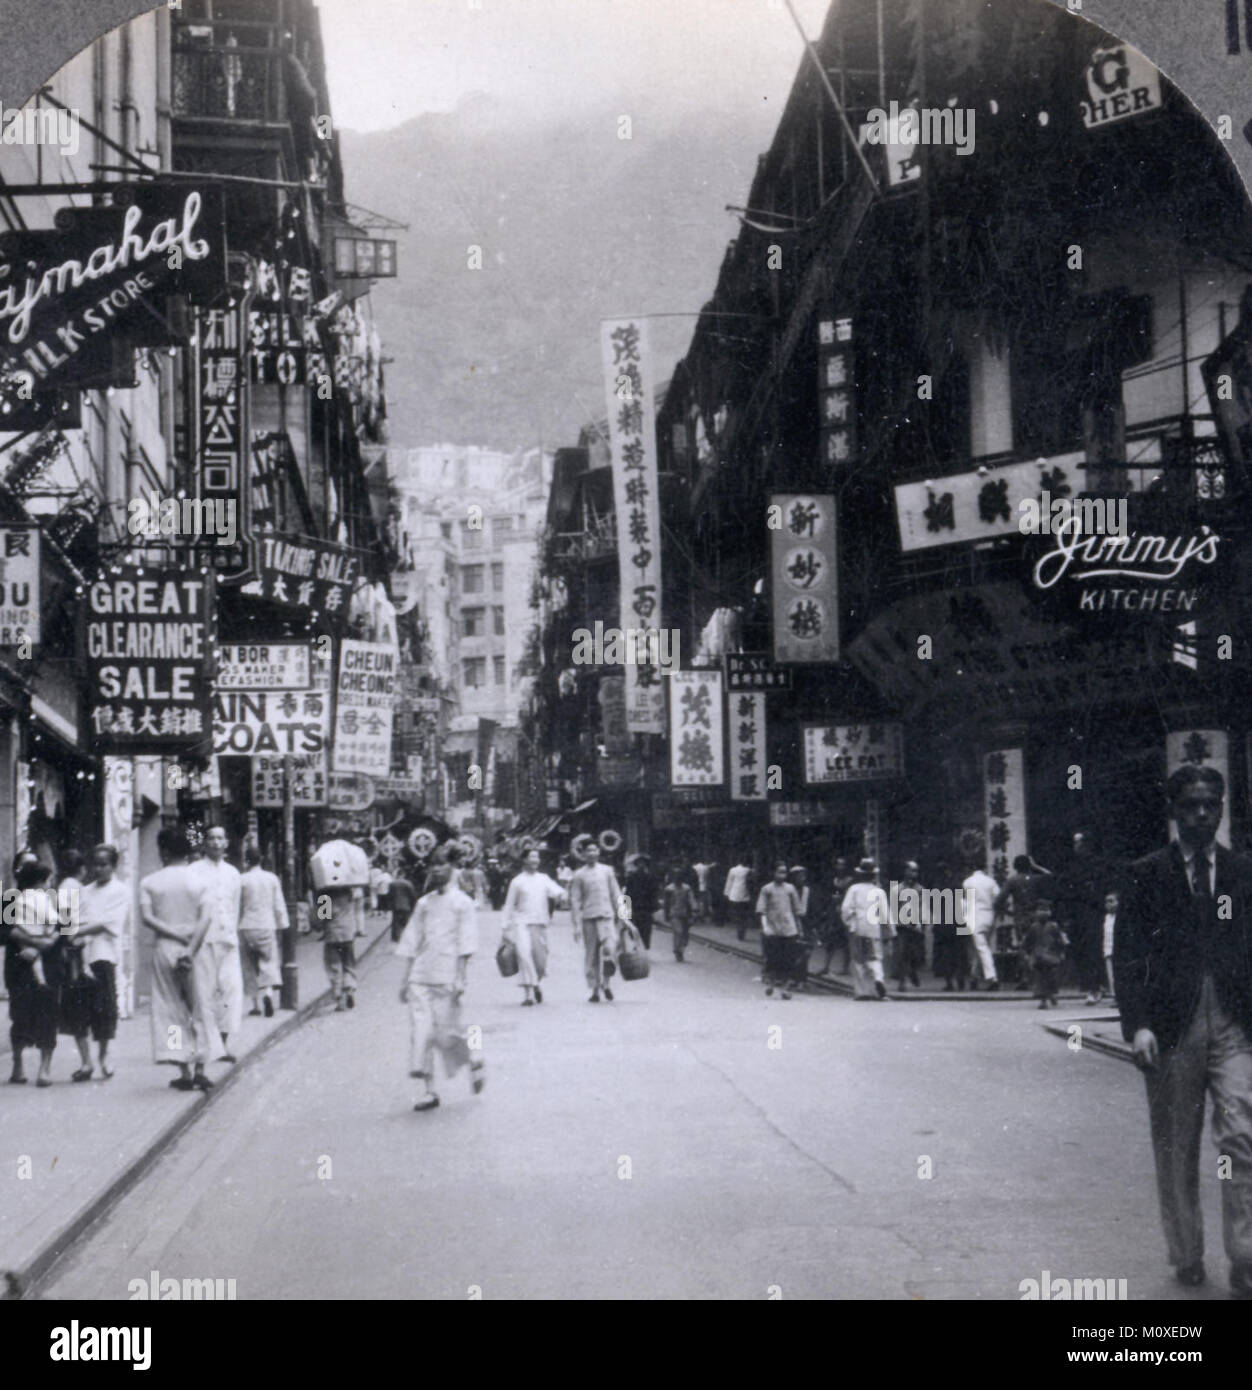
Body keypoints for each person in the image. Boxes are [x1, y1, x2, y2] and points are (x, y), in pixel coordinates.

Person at [1114, 764, 1252, 1296]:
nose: (1201, 814)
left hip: (1236, 1023)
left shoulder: (1243, 873)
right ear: (1173, 811)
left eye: (1210, 804)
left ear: (1221, 808)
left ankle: (1245, 1256)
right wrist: (1138, 1026)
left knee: (1242, 1136)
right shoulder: (1146, 874)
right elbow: (1129, 955)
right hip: (1172, 1027)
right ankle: (1187, 1253)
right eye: (1190, 804)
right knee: (1176, 1144)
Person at [395, 861, 484, 1111]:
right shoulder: (423, 903)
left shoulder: (463, 903)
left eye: (441, 866)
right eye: (433, 867)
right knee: (421, 1033)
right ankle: (429, 1091)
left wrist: (461, 976)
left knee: (446, 1036)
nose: (435, 871)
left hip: (447, 975)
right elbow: (412, 939)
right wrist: (405, 978)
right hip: (420, 976)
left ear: (451, 870)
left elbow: (467, 941)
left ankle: (474, 1056)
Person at [140, 828, 217, 1091]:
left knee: (169, 1008)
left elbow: (147, 919)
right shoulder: (200, 881)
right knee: (200, 1006)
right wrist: (190, 947)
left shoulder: (149, 882)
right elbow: (206, 918)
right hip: (196, 948)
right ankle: (201, 1067)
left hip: (165, 947)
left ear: (164, 851)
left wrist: (175, 937)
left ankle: (182, 1066)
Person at [68, 844, 131, 1081]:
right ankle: (85, 1062)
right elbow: (72, 919)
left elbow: (108, 923)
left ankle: (104, 1056)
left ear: (113, 866)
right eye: (95, 864)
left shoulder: (120, 891)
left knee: (104, 1011)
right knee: (78, 1011)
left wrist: (77, 931)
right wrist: (75, 933)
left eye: (104, 864)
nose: (99, 869)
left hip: (103, 955)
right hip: (80, 955)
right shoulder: (84, 891)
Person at [2, 860, 64, 1085]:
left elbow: (66, 929)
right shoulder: (9, 898)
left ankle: (44, 1068)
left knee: (48, 1017)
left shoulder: (57, 898)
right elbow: (3, 931)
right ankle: (18, 1065)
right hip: (19, 968)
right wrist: (39, 942)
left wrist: (44, 943)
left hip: (48, 966)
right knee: (20, 1017)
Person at [191, 826, 244, 1060]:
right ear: (205, 843)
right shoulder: (194, 871)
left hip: (228, 939)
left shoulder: (233, 873)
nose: (215, 842)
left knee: (230, 993)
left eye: (219, 838)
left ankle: (222, 1045)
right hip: (203, 941)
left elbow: (235, 905)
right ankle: (205, 1047)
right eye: (211, 838)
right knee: (204, 994)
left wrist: (232, 931)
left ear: (226, 843)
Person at [502, 848, 563, 1005]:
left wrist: (563, 895)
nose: (535, 860)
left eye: (537, 857)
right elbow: (509, 905)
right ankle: (528, 994)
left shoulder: (543, 879)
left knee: (540, 961)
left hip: (540, 923)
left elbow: (556, 891)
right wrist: (505, 928)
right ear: (524, 860)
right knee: (524, 956)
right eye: (532, 857)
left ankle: (537, 984)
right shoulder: (517, 881)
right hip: (521, 922)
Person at [568, 841, 625, 1003]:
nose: (592, 853)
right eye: (588, 851)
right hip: (589, 919)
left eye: (594, 850)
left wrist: (625, 916)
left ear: (598, 852)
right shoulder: (578, 875)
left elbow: (617, 893)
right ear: (584, 854)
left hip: (606, 917)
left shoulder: (607, 871)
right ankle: (594, 989)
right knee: (592, 955)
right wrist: (576, 925)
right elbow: (575, 900)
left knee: (611, 949)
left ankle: (606, 984)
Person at [238, 846, 287, 1018]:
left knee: (249, 965)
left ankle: (255, 1004)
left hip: (246, 926)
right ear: (261, 859)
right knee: (268, 961)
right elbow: (278, 904)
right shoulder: (271, 878)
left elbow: (237, 906)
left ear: (247, 860)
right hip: (267, 925)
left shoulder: (241, 879)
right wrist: (282, 925)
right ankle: (268, 993)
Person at [1060, 831, 1108, 1005]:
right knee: (1083, 950)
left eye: (1078, 843)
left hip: (1093, 912)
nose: (1075, 846)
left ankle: (1094, 987)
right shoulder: (1073, 866)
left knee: (1093, 949)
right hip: (1078, 913)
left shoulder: (1098, 865)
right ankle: (1093, 986)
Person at [842, 858, 894, 1000]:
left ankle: (862, 991)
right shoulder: (879, 892)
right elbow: (885, 914)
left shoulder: (854, 889)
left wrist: (849, 924)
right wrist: (890, 933)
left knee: (858, 960)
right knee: (875, 957)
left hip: (858, 928)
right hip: (873, 928)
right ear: (873, 875)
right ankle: (878, 980)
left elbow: (846, 909)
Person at [313, 882, 364, 1010]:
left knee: (334, 966)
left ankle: (339, 998)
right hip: (348, 933)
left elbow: (322, 918)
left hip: (332, 935)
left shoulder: (324, 894)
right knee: (349, 964)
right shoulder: (348, 891)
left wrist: (316, 924)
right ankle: (350, 989)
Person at [755, 862, 802, 999]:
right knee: (773, 958)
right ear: (773, 873)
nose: (782, 875)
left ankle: (786, 988)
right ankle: (771, 983)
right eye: (780, 872)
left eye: (784, 872)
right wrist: (765, 927)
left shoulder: (790, 889)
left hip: (789, 929)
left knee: (788, 959)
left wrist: (799, 928)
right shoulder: (767, 889)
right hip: (773, 929)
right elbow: (761, 910)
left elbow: (797, 910)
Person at [962, 860, 1001, 992]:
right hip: (989, 915)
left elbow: (965, 902)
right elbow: (998, 897)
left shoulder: (967, 882)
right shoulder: (991, 882)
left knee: (980, 948)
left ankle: (992, 977)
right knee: (982, 947)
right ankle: (974, 976)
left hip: (974, 916)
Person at [1021, 899, 1066, 1010]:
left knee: (1051, 978)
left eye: (1046, 910)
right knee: (1040, 979)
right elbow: (1028, 942)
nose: (1043, 913)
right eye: (1041, 910)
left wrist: (1061, 952)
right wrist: (1027, 953)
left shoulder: (1054, 927)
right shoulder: (1033, 927)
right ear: (1036, 912)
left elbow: (1059, 941)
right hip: (1038, 957)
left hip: (1051, 957)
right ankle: (1043, 1000)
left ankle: (1051, 995)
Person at [818, 856, 854, 976]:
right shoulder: (833, 880)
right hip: (834, 914)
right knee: (830, 940)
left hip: (845, 914)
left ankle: (845, 968)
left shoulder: (850, 881)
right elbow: (827, 895)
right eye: (838, 865)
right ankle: (826, 966)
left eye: (842, 865)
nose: (840, 868)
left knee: (846, 942)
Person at [893, 860, 926, 991]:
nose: (914, 874)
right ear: (905, 871)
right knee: (902, 953)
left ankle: (912, 971)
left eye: (916, 871)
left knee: (915, 954)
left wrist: (921, 923)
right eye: (912, 870)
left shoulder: (920, 889)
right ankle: (902, 982)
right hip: (902, 926)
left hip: (915, 925)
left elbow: (923, 907)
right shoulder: (898, 889)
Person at [624, 854, 659, 950]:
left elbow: (654, 893)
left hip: (646, 908)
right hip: (634, 907)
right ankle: (638, 946)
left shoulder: (650, 878)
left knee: (646, 930)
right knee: (634, 929)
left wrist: (654, 908)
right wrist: (625, 911)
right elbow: (627, 894)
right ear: (636, 865)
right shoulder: (631, 878)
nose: (641, 865)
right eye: (639, 863)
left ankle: (643, 948)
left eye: (643, 863)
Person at [664, 866, 696, 963]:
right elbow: (666, 903)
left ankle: (680, 949)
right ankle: (678, 951)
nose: (678, 878)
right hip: (674, 914)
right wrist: (666, 914)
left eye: (680, 876)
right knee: (678, 932)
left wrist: (695, 910)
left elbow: (691, 899)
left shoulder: (687, 888)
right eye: (676, 876)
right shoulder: (669, 889)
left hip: (685, 914)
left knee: (685, 934)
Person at [723, 855, 754, 940]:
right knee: (744, 915)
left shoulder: (732, 870)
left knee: (738, 915)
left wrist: (727, 893)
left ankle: (739, 931)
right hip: (745, 897)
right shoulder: (749, 871)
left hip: (734, 895)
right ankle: (742, 931)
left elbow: (729, 882)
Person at [388, 867, 418, 944]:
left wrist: (391, 904)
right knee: (406, 921)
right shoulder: (408, 883)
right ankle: (407, 937)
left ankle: (396, 938)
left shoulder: (392, 883)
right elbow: (412, 895)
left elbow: (390, 895)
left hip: (396, 905)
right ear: (403, 874)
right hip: (406, 905)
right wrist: (413, 904)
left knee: (396, 922)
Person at [1101, 890, 1118, 1002]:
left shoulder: (1120, 918)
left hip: (1118, 949)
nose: (1108, 904)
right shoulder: (1106, 918)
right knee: (1111, 975)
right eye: (1106, 902)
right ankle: (1114, 996)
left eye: (1111, 901)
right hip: (1108, 949)